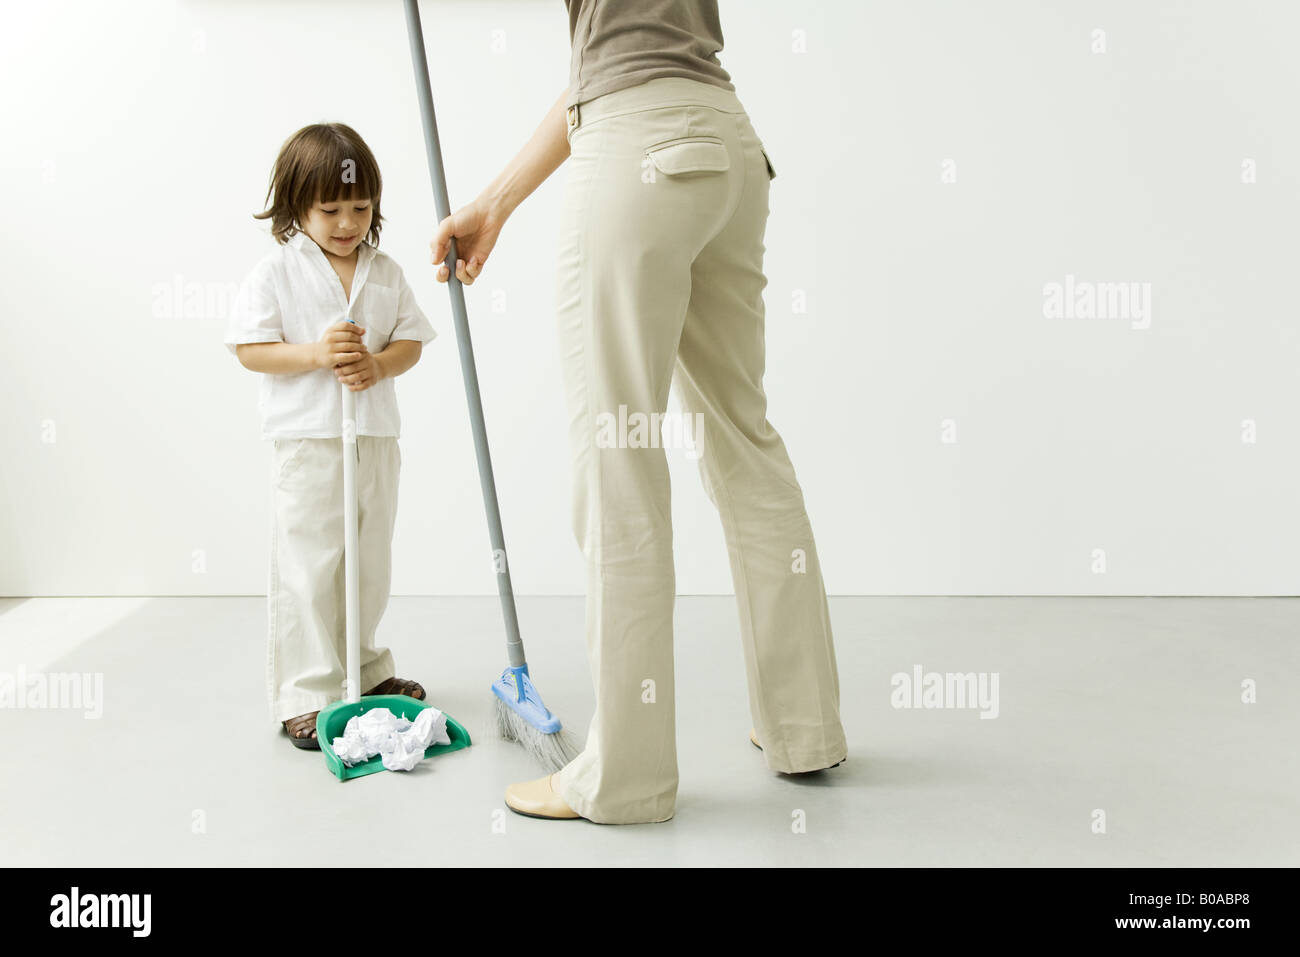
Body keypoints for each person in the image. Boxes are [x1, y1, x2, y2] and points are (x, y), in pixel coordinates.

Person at [430, 0, 847, 823]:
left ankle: (625, 777)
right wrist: (498, 201)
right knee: (744, 440)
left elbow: (616, 87)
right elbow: (610, 67)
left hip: (634, 156)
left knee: (616, 457)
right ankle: (806, 727)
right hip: (725, 140)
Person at [227, 123, 435, 749]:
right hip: (309, 441)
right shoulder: (276, 272)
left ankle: (365, 672)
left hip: (373, 438)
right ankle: (308, 691)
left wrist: (378, 364)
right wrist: (318, 355)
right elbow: (250, 350)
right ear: (297, 207)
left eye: (360, 208)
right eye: (330, 209)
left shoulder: (386, 272)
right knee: (310, 563)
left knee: (368, 560)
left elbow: (410, 343)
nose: (347, 222)